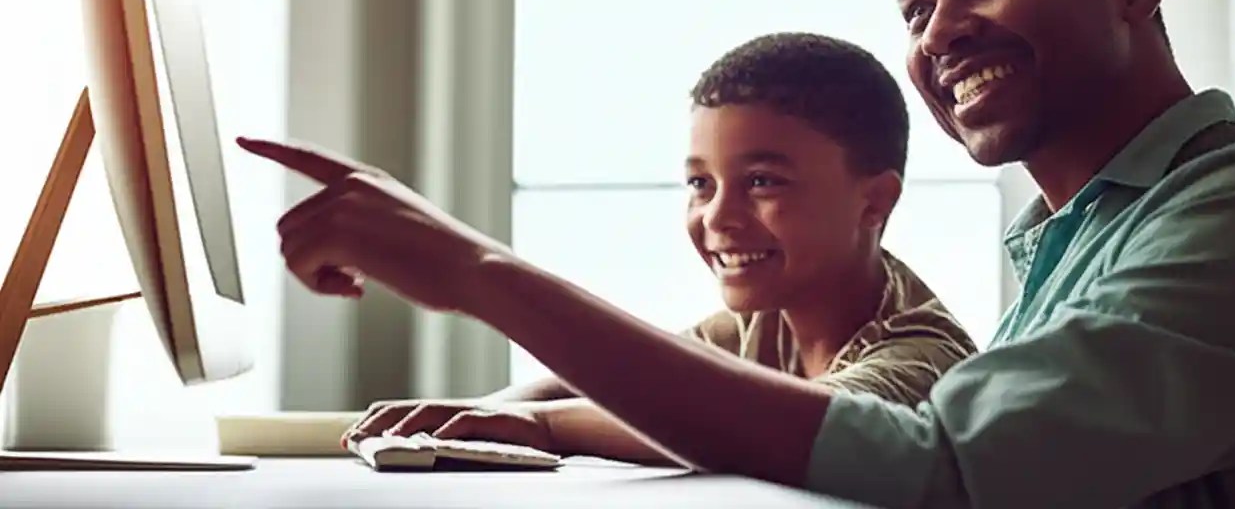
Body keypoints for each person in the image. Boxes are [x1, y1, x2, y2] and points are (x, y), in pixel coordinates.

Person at [241, 0, 1235, 508]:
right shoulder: (1077, 242)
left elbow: (942, 463)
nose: (940, 32)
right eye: (913, 11)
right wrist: (493, 410)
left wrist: (478, 273)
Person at [325, 33, 977, 463]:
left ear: (874, 202)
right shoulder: (760, 328)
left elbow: (767, 424)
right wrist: (483, 416)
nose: (717, 215)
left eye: (761, 182)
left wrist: (550, 429)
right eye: (700, 183)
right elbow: (625, 370)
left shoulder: (922, 358)